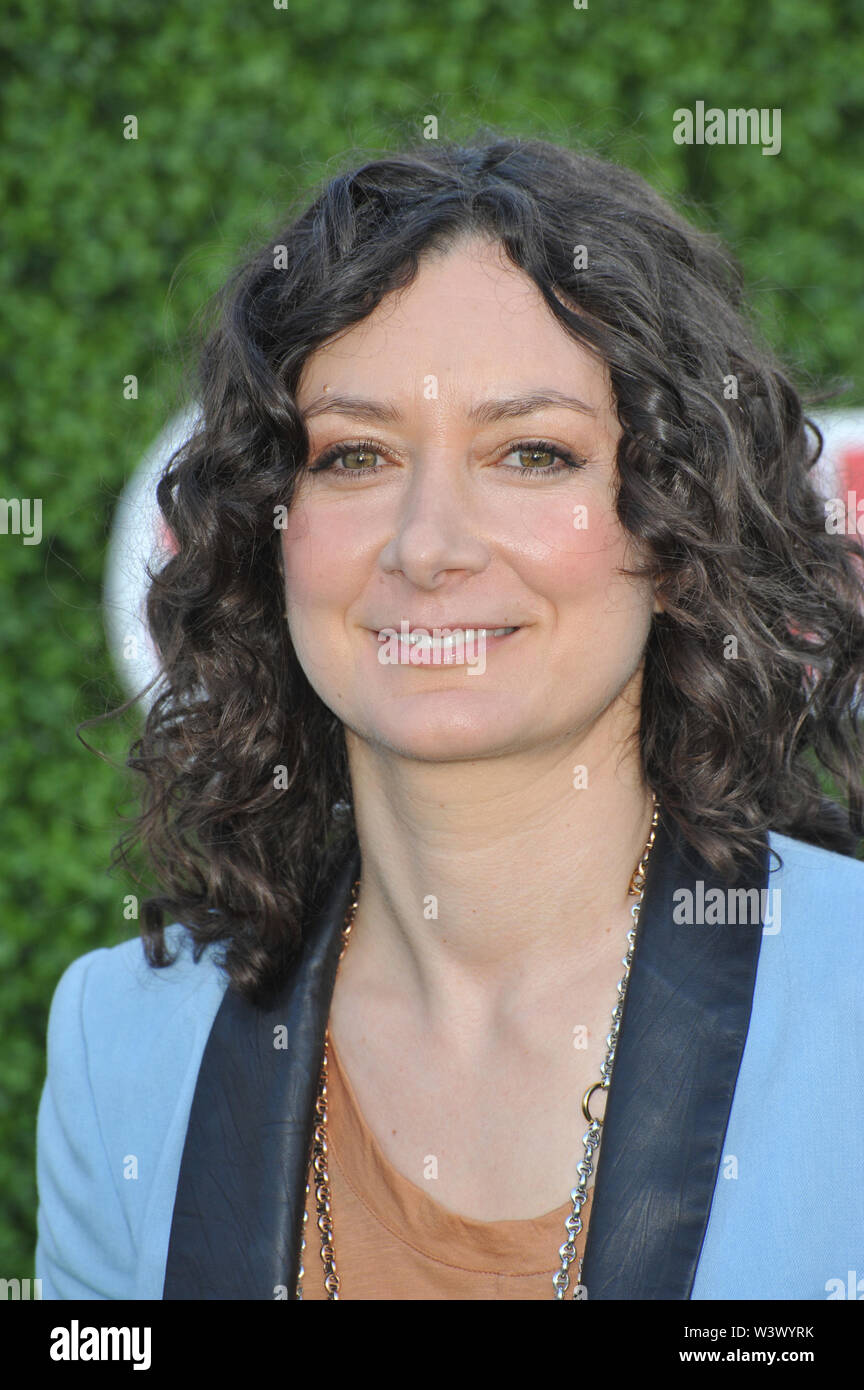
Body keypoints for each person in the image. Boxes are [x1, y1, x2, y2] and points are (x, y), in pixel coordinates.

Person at [36, 135, 864, 1301]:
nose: (428, 545)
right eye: (355, 455)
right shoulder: (117, 1046)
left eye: (531, 453)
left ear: (673, 525)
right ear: (272, 531)